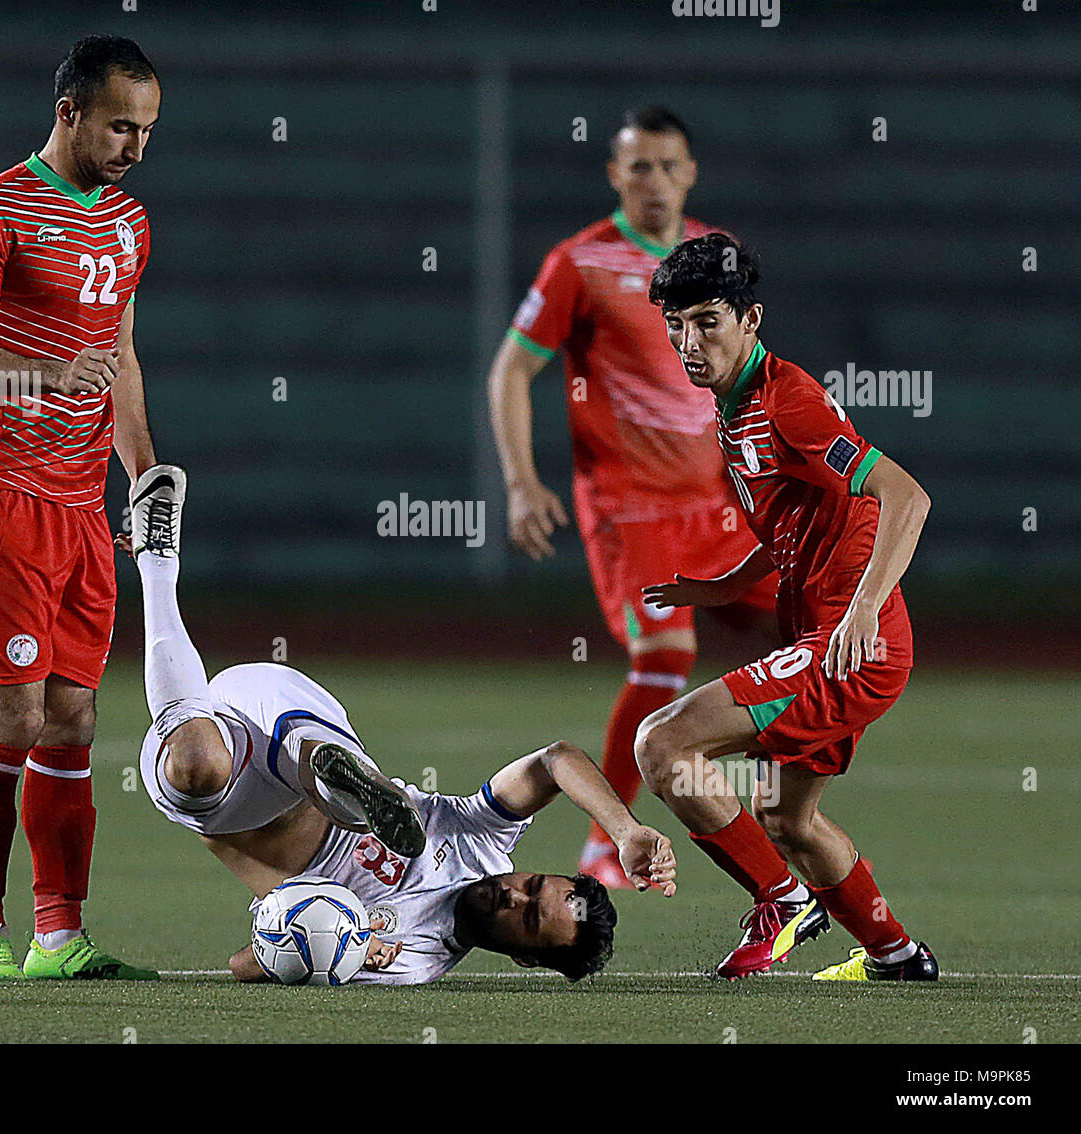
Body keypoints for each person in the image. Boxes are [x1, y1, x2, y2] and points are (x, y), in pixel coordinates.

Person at [128, 467, 679, 985]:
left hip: (227, 795)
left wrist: (341, 942)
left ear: (525, 957)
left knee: (195, 766)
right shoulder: (482, 840)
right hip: (284, 713)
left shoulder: (414, 958)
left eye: (528, 917)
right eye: (532, 885)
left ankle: (157, 556)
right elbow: (556, 761)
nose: (513, 896)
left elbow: (244, 964)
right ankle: (338, 780)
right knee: (323, 766)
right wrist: (625, 830)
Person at [626, 233, 938, 982]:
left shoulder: (787, 403)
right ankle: (896, 956)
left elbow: (906, 495)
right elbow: (799, 519)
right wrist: (724, 587)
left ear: (750, 318)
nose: (688, 342)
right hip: (828, 633)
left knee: (662, 746)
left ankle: (783, 902)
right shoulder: (735, 408)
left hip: (850, 643)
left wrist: (864, 609)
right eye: (675, 324)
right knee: (787, 819)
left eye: (706, 321)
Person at [487, 107, 776, 889]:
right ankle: (603, 842)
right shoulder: (579, 263)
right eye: (638, 166)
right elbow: (512, 369)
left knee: (817, 616)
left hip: (719, 502)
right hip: (629, 504)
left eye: (669, 165)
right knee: (665, 655)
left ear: (691, 172)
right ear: (614, 175)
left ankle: (785, 805)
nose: (656, 181)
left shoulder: (711, 261)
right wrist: (521, 482)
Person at [0, 35, 163, 980]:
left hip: (78, 504)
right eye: (120, 124)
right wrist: (46, 375)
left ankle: (59, 937)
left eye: (147, 128)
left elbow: (122, 354)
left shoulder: (130, 222)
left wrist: (143, 468)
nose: (135, 146)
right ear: (68, 110)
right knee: (15, 719)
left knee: (74, 719)